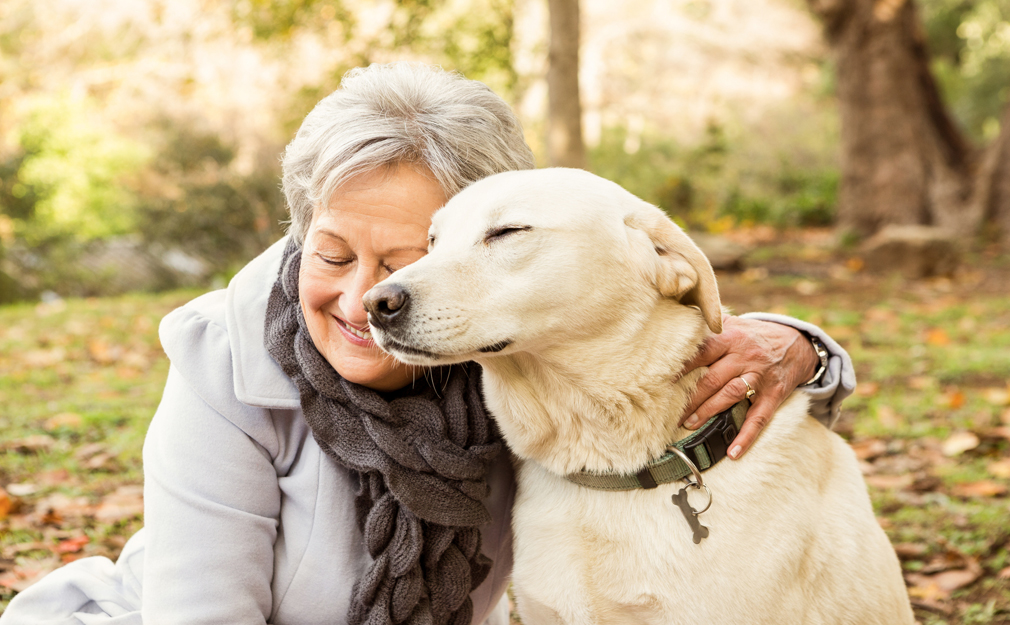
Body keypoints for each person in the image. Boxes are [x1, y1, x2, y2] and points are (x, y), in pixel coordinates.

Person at [0, 63, 855, 625]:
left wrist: (803, 346)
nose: (369, 295)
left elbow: (642, 348)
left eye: (406, 259)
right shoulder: (226, 366)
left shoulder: (512, 362)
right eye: (332, 254)